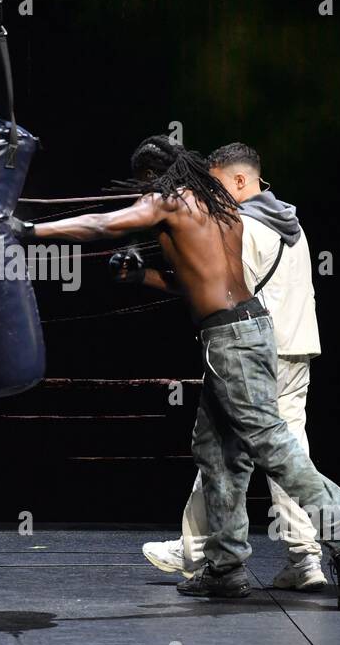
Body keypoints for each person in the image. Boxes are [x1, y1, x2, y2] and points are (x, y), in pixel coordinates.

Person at [12, 135, 340, 608]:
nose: (143, 196)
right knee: (217, 452)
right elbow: (198, 281)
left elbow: (103, 224)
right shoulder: (218, 210)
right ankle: (224, 568)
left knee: (270, 443)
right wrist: (143, 275)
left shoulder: (170, 198)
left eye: (144, 186)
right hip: (243, 332)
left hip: (233, 339)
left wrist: (31, 232)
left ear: (154, 178)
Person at [136, 142, 327, 590]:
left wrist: (144, 275)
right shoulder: (290, 221)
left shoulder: (243, 225)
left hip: (254, 354)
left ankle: (197, 549)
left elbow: (212, 286)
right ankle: (305, 559)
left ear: (240, 181)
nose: (206, 192)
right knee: (286, 453)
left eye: (216, 182)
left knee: (221, 450)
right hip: (298, 350)